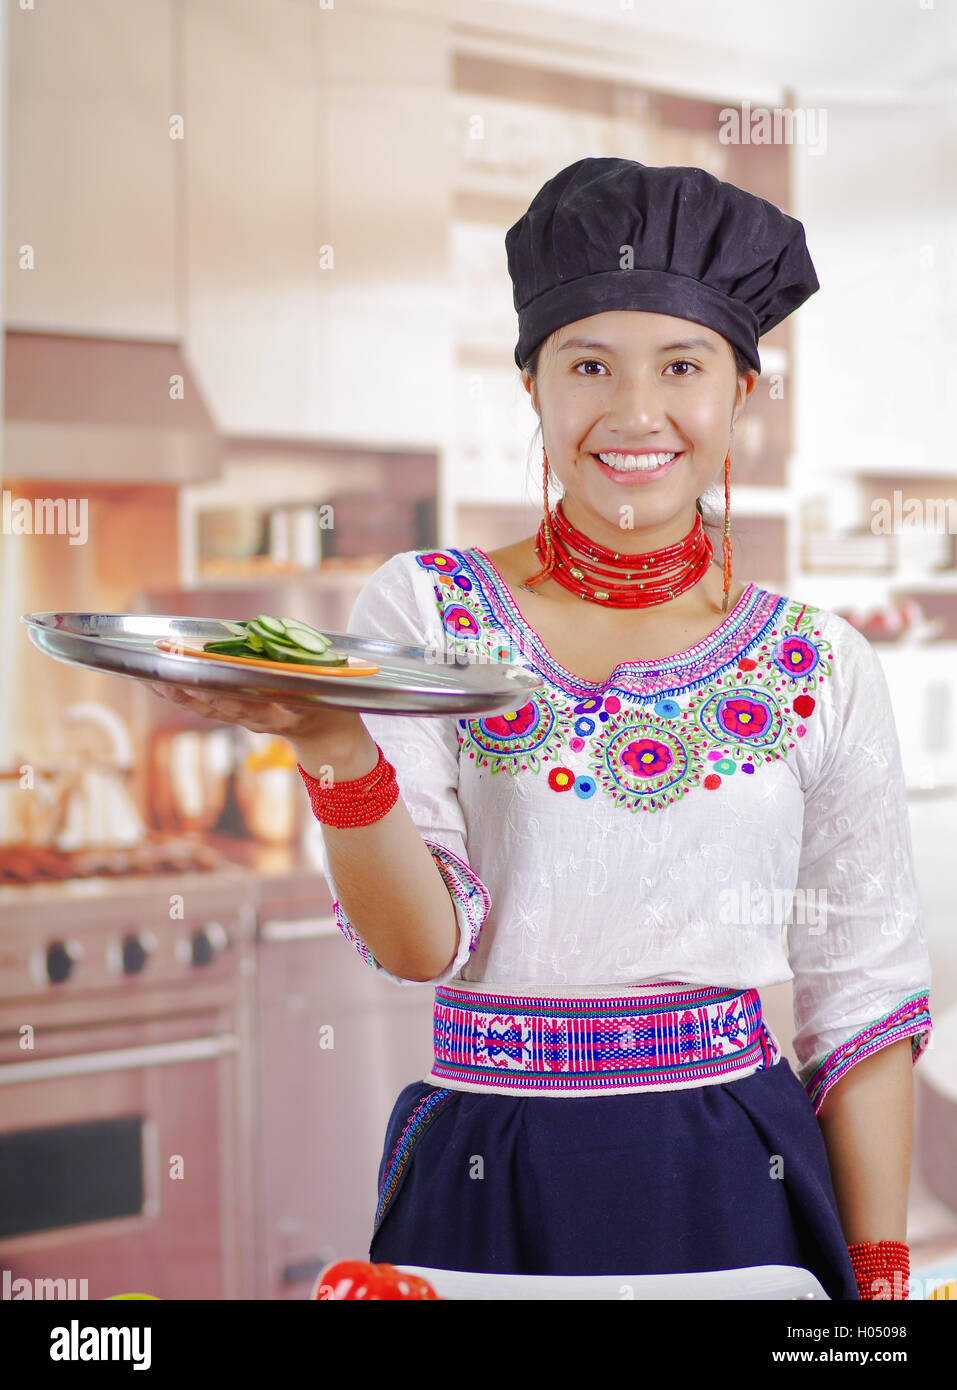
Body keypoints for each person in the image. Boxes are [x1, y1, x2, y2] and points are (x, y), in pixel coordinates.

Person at [151, 157, 932, 1301]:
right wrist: (332, 747)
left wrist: (879, 1290)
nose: (634, 413)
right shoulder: (423, 613)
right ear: (531, 388)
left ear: (741, 393)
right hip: (492, 1174)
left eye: (682, 365)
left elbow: (859, 1004)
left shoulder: (822, 662)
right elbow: (423, 945)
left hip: (736, 1181)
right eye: (587, 365)